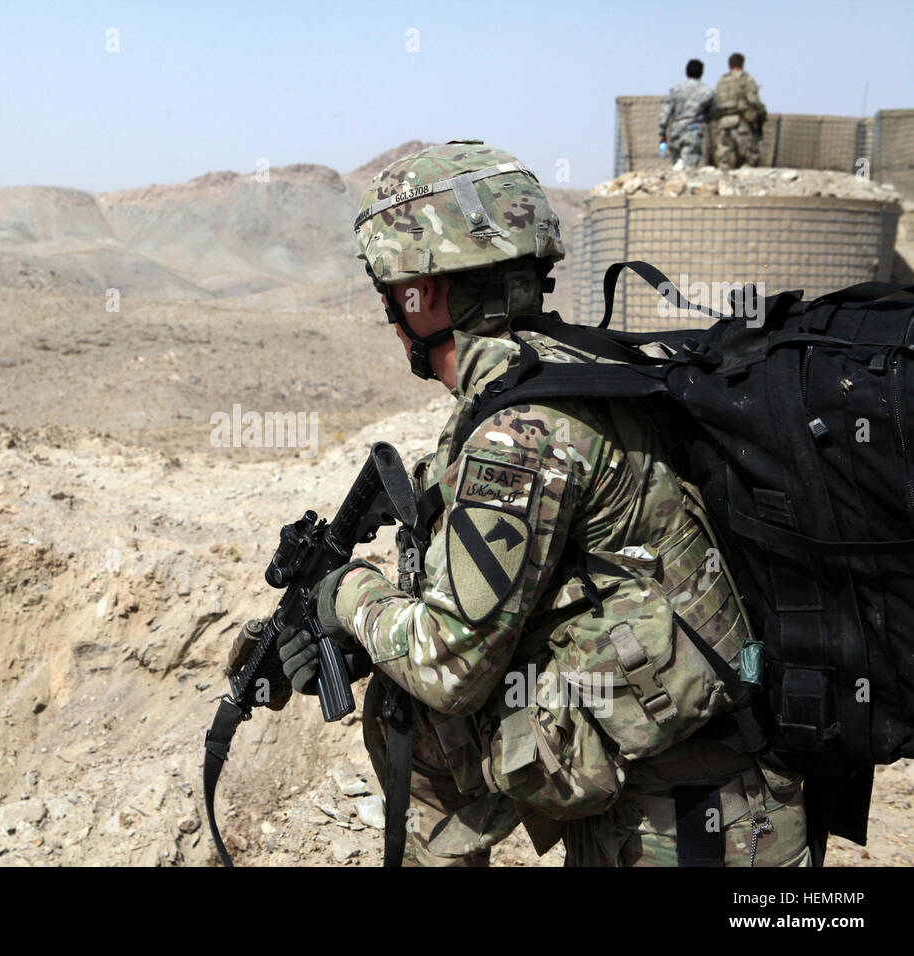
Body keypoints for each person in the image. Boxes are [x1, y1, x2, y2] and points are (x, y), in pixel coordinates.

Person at [277, 141, 809, 867]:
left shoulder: (518, 433)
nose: (387, 311)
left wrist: (347, 596)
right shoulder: (583, 368)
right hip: (707, 784)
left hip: (694, 826)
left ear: (424, 291)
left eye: (387, 289)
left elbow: (449, 666)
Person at [714, 53, 767, 169]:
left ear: (729, 65)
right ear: (743, 63)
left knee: (724, 162)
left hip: (723, 125)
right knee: (747, 161)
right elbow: (754, 101)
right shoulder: (746, 78)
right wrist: (761, 114)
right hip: (741, 124)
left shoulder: (722, 80)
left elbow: (716, 102)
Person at [659, 59, 715, 169]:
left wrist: (662, 133)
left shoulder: (675, 90)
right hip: (693, 132)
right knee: (689, 168)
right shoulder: (707, 91)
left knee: (677, 166)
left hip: (675, 132)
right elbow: (713, 114)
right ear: (701, 73)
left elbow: (665, 113)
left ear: (686, 72)